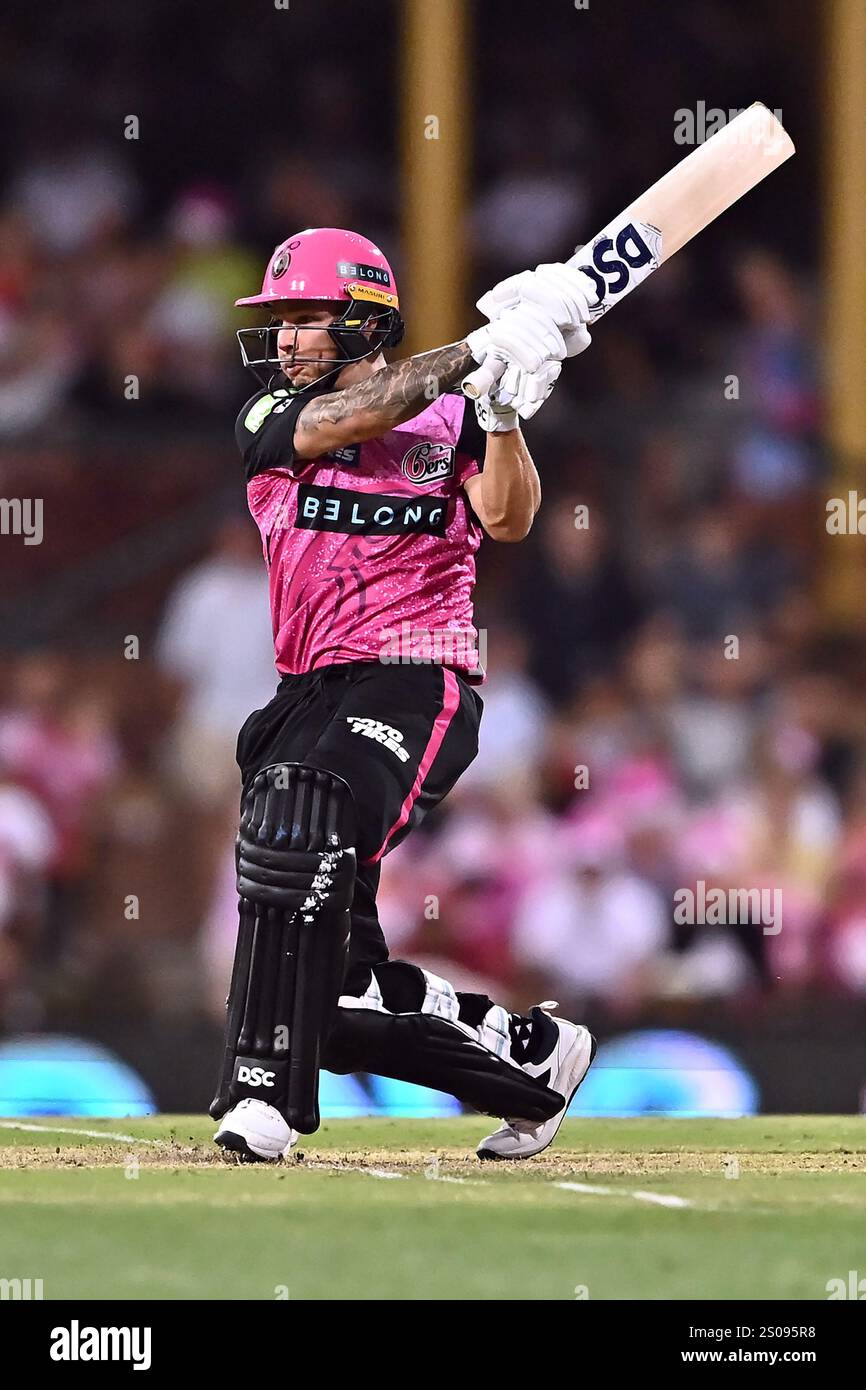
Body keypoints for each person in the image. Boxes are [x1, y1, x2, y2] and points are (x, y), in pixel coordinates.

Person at [210, 227, 596, 1161]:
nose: (287, 338)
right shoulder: (272, 414)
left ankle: (261, 1099)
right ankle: (535, 1059)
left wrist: (500, 412)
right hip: (307, 690)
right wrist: (478, 348)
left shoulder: (458, 417)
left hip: (418, 678)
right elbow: (351, 421)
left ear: (363, 320)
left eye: (304, 317)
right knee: (335, 998)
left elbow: (507, 518)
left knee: (301, 810)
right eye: (282, 320)